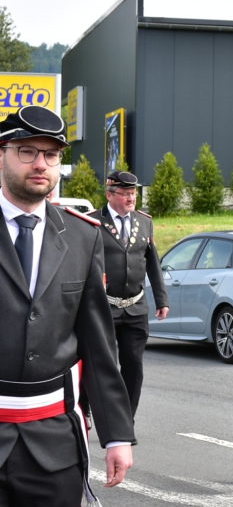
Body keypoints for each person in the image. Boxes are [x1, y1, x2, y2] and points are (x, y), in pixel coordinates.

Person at [0, 105, 134, 505]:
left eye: (52, 154)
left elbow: (98, 344)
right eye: (27, 151)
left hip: (53, 444)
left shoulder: (82, 237)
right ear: (1, 154)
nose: (40, 164)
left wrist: (117, 434)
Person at [97, 170, 169, 419]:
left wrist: (162, 299)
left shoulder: (144, 222)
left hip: (136, 308)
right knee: (103, 366)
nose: (131, 198)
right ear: (109, 194)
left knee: (134, 368)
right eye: (125, 193)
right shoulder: (93, 221)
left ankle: (126, 421)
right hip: (104, 307)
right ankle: (87, 406)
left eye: (133, 193)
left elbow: (153, 263)